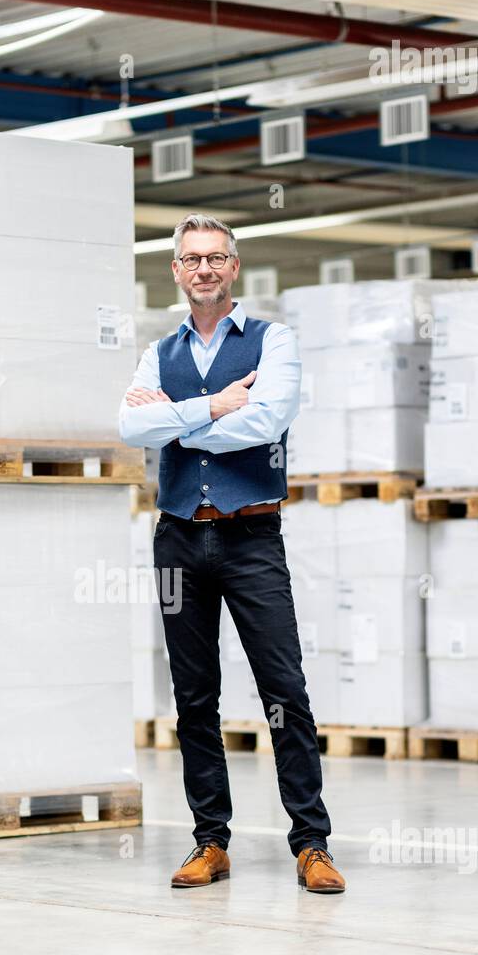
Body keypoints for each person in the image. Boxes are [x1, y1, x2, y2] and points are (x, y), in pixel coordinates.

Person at [119, 213, 345, 895]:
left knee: (286, 691)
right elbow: (130, 425)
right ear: (176, 271)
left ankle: (311, 843)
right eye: (192, 259)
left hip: (251, 537)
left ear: (233, 267)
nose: (204, 269)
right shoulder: (158, 352)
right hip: (178, 537)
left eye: (216, 257)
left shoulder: (273, 341)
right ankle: (208, 842)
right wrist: (215, 405)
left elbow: (268, 418)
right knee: (194, 698)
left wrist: (182, 419)